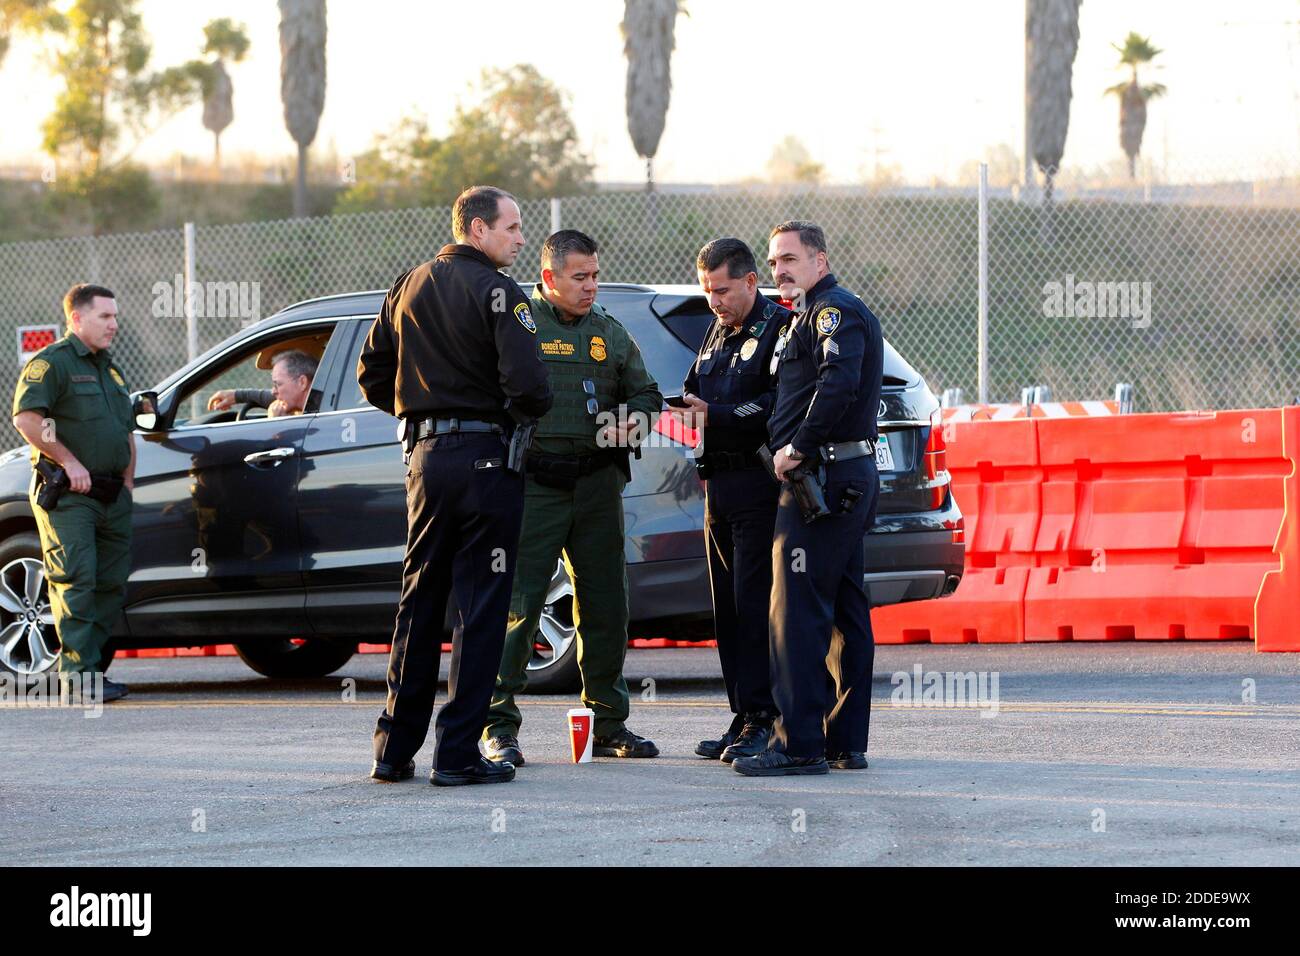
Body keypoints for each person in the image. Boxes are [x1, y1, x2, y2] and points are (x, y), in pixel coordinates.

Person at [357, 185, 552, 787]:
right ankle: (458, 754)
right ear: (476, 228)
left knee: (419, 601)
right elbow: (532, 387)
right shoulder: (499, 292)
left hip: (424, 459)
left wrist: (422, 410)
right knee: (481, 605)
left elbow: (372, 374)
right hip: (486, 461)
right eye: (512, 228)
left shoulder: (406, 285)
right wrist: (496, 414)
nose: (521, 238)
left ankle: (393, 751)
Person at [481, 229, 663, 765]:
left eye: (595, 275)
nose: (590, 287)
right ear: (548, 278)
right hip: (535, 485)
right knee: (520, 605)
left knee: (606, 604)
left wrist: (636, 417)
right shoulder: (519, 324)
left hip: (598, 485)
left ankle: (608, 723)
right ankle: (497, 726)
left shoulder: (610, 332)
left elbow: (647, 392)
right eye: (579, 277)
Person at [732, 220, 883, 777]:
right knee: (845, 610)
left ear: (820, 260)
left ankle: (798, 745)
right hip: (841, 476)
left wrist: (798, 446)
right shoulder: (811, 314)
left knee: (793, 613)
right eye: (773, 262)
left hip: (822, 478)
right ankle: (844, 741)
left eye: (790, 259)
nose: (780, 270)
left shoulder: (831, 312)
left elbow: (837, 383)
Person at [671, 238, 790, 763]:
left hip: (758, 487)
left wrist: (716, 414)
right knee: (726, 610)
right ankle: (742, 713)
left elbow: (774, 403)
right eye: (707, 291)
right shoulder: (716, 332)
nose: (714, 301)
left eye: (721, 290)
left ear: (749, 281)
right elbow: (695, 385)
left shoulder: (780, 330)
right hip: (716, 487)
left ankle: (766, 717)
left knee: (754, 606)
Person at [11, 283, 136, 703]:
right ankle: (79, 679)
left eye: (115, 316)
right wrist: (69, 461)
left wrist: (129, 480)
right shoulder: (53, 364)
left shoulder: (111, 369)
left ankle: (94, 671)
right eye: (105, 317)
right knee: (76, 580)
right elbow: (29, 420)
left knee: (110, 583)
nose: (114, 324)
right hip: (71, 495)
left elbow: (124, 430)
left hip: (111, 493)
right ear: (77, 318)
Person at [206, 349, 318, 417]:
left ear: (302, 382)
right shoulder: (325, 399)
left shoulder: (322, 414)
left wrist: (278, 427)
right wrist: (236, 396)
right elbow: (267, 397)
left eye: (278, 384)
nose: (273, 391)